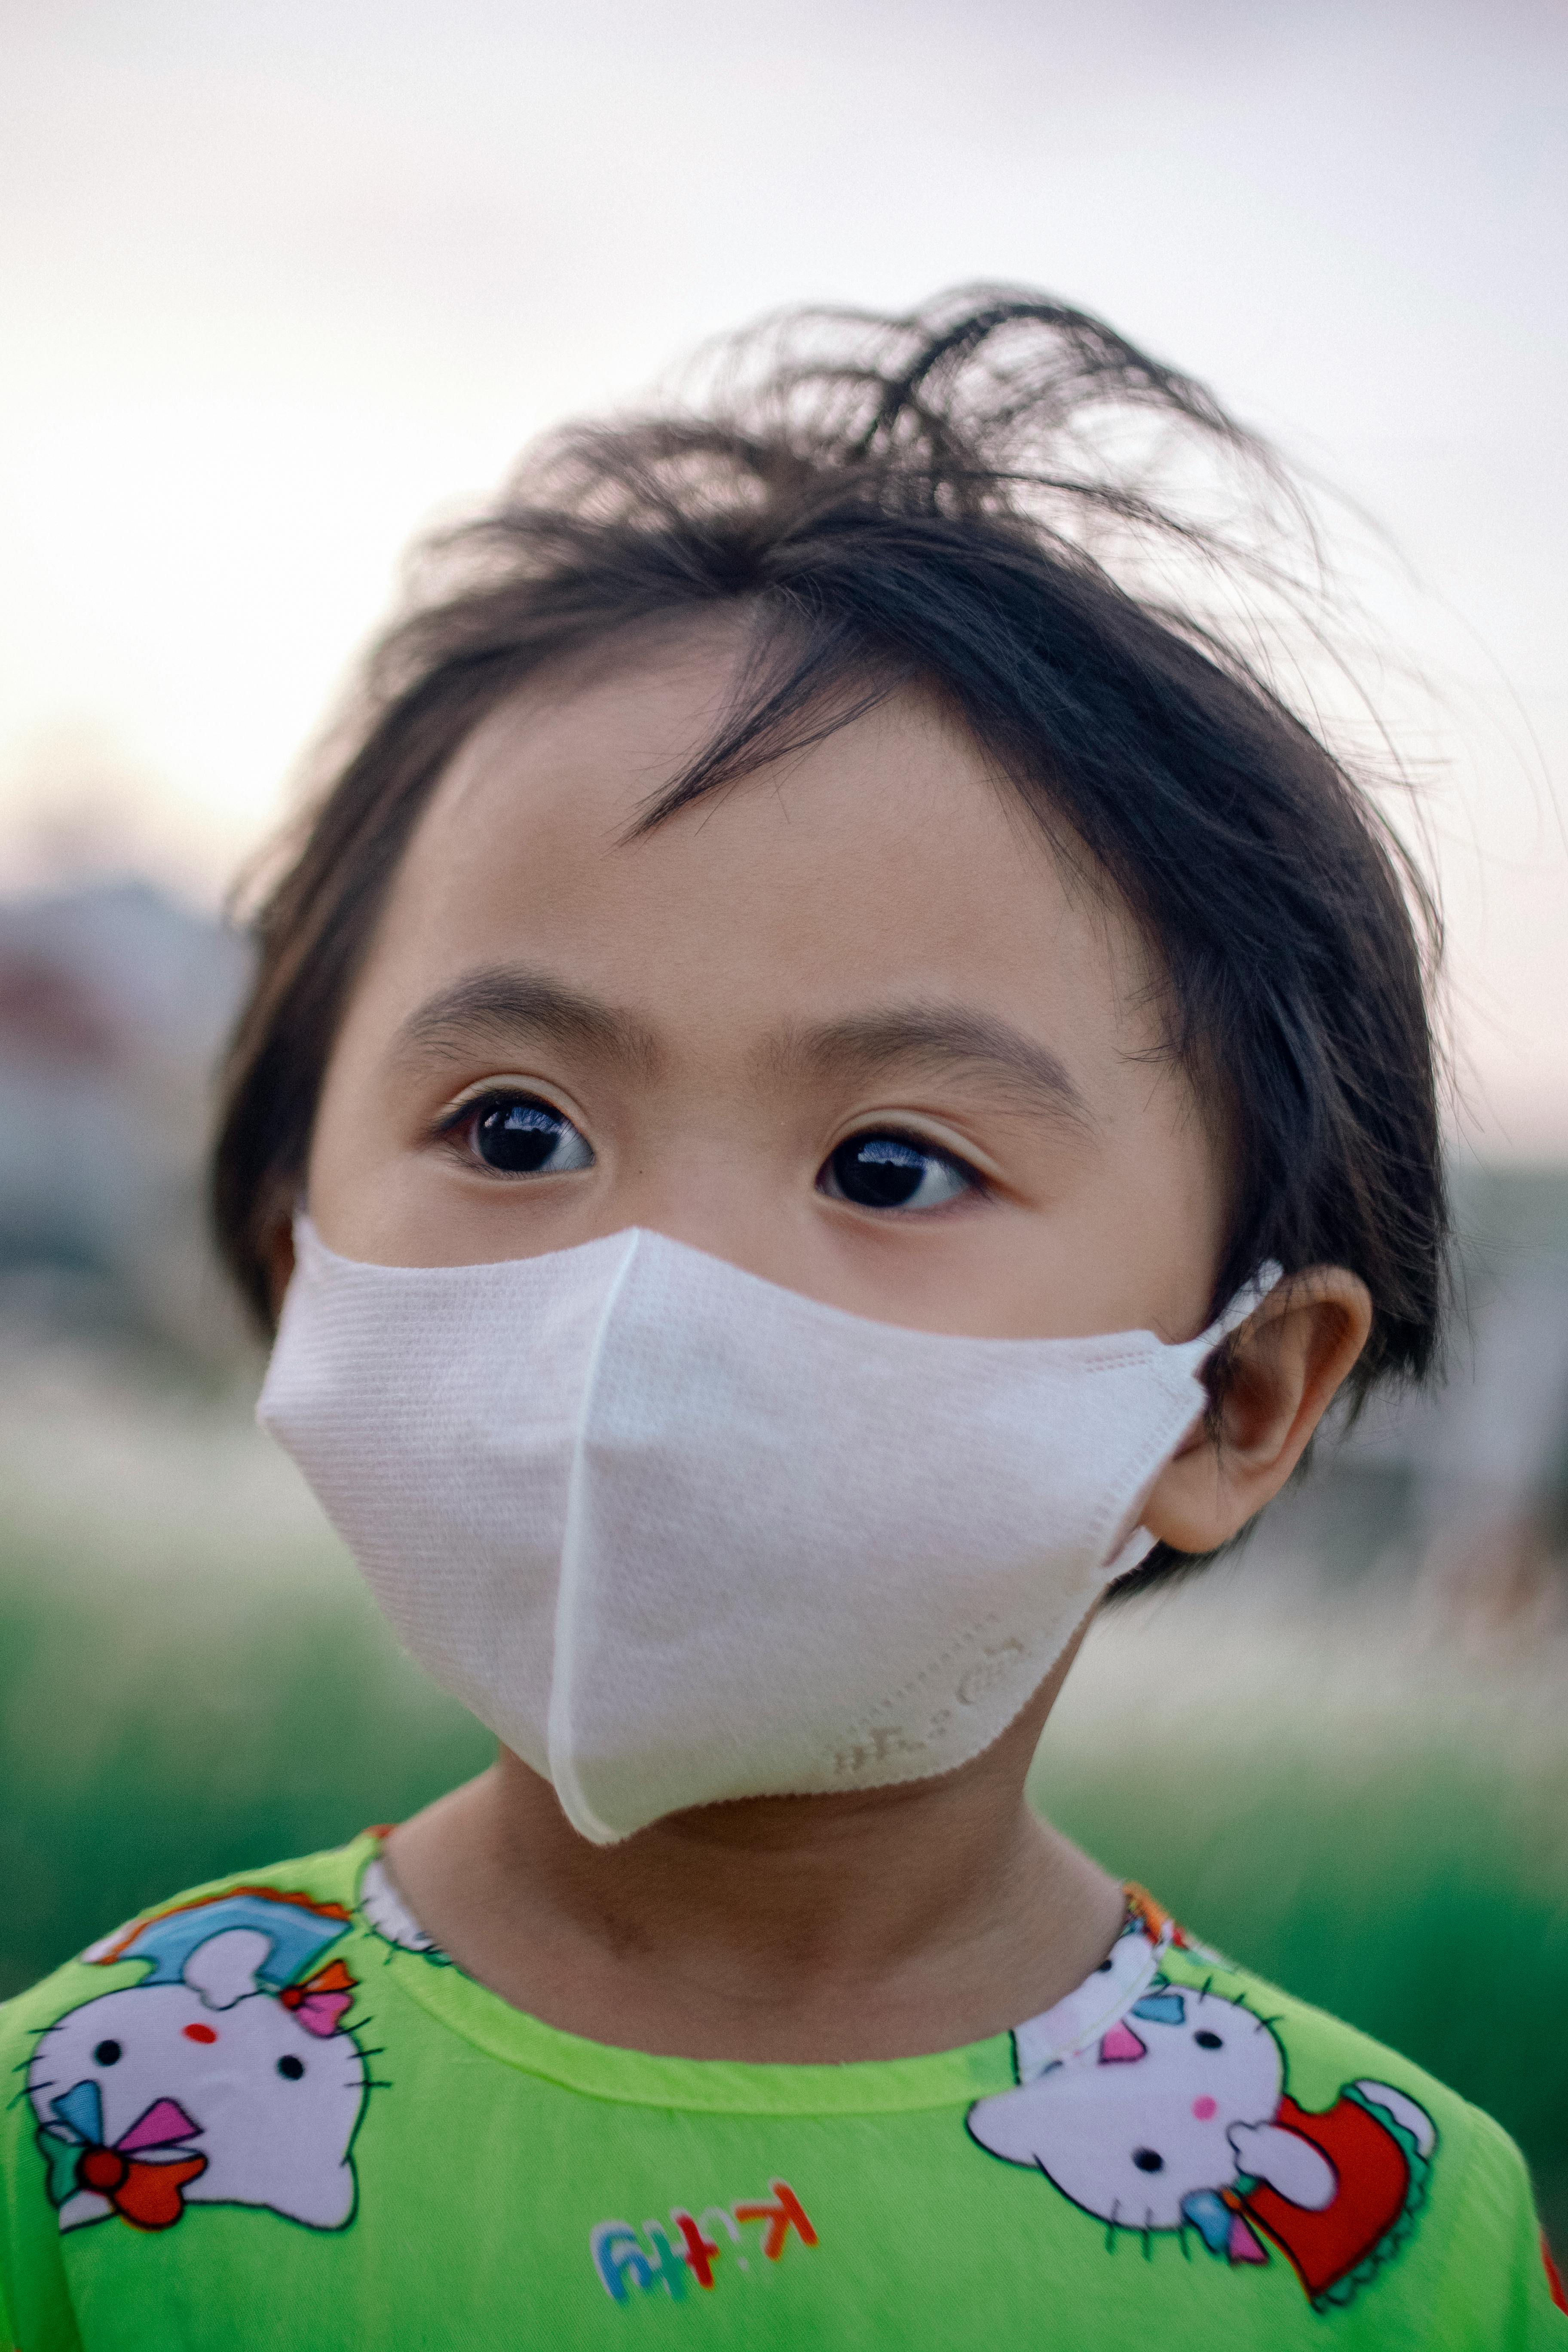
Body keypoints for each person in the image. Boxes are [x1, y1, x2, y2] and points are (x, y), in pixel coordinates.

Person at [1, 289, 1562, 2349]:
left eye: (891, 1165)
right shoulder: (95, 2142)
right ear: (310, 1273)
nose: (656, 1306)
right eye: (518, 1126)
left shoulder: (1376, 2234)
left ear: (1235, 1399)